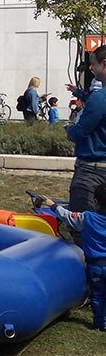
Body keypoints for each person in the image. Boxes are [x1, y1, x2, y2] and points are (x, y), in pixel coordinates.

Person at [36, 185, 106, 331]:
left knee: (98, 294)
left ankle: (100, 322)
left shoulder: (88, 218)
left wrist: (54, 206)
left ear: (95, 201)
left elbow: (68, 217)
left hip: (96, 266)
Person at [65, 46, 106, 233]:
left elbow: (81, 131)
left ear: (104, 64)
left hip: (91, 172)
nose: (92, 69)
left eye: (93, 65)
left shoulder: (100, 98)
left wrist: (70, 130)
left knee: (84, 230)